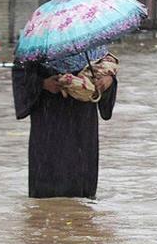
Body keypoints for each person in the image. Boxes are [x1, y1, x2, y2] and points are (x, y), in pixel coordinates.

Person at [11, 47, 117, 198]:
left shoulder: (92, 42)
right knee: (47, 180)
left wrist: (108, 81)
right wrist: (43, 84)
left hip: (83, 118)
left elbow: (106, 70)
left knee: (81, 180)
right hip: (49, 118)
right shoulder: (35, 46)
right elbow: (20, 75)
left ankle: (82, 211)